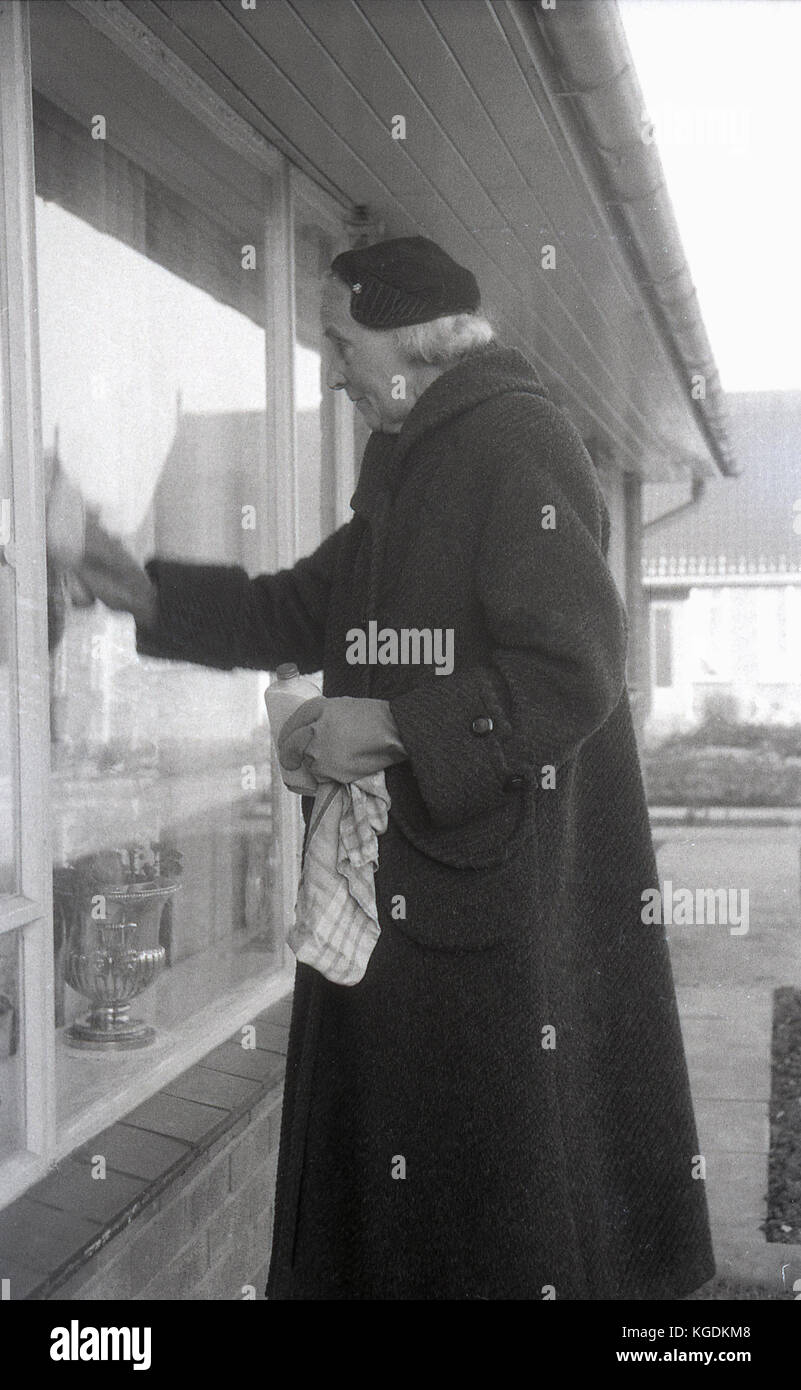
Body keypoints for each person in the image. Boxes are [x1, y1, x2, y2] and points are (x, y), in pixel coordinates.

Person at [72, 235, 714, 1300]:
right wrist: (137, 589)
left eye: (338, 340)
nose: (328, 369)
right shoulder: (409, 461)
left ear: (412, 340)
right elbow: (295, 608)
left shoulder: (517, 439)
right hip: (411, 908)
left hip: (484, 931)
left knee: (481, 1232)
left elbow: (574, 671)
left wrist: (388, 728)